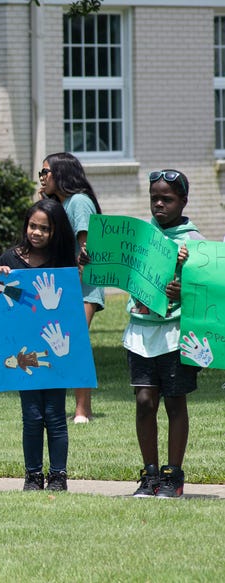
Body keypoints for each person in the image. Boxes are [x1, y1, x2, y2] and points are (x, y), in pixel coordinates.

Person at [125, 169, 202, 498]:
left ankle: (173, 475)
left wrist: (182, 287)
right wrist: (91, 258)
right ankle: (150, 475)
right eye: (154, 198)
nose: (159, 204)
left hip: (175, 333)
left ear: (183, 201)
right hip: (141, 332)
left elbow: (207, 289)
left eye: (167, 199)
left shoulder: (194, 241)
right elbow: (115, 266)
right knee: (144, 401)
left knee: (174, 401)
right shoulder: (140, 235)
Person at [0, 198, 76, 491]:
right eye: (32, 226)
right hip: (22, 351)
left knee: (54, 413)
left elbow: (72, 305)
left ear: (56, 232)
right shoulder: (10, 259)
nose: (36, 232)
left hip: (56, 347)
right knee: (31, 415)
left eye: (44, 228)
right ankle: (32, 476)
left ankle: (58, 476)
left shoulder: (64, 261)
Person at [39, 152, 103, 423]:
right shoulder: (59, 204)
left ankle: (82, 410)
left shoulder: (78, 202)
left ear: (61, 174)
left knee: (75, 343)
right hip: (62, 289)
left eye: (46, 173)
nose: (41, 178)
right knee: (62, 343)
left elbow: (86, 250)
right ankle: (73, 407)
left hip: (82, 286)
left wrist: (72, 283)